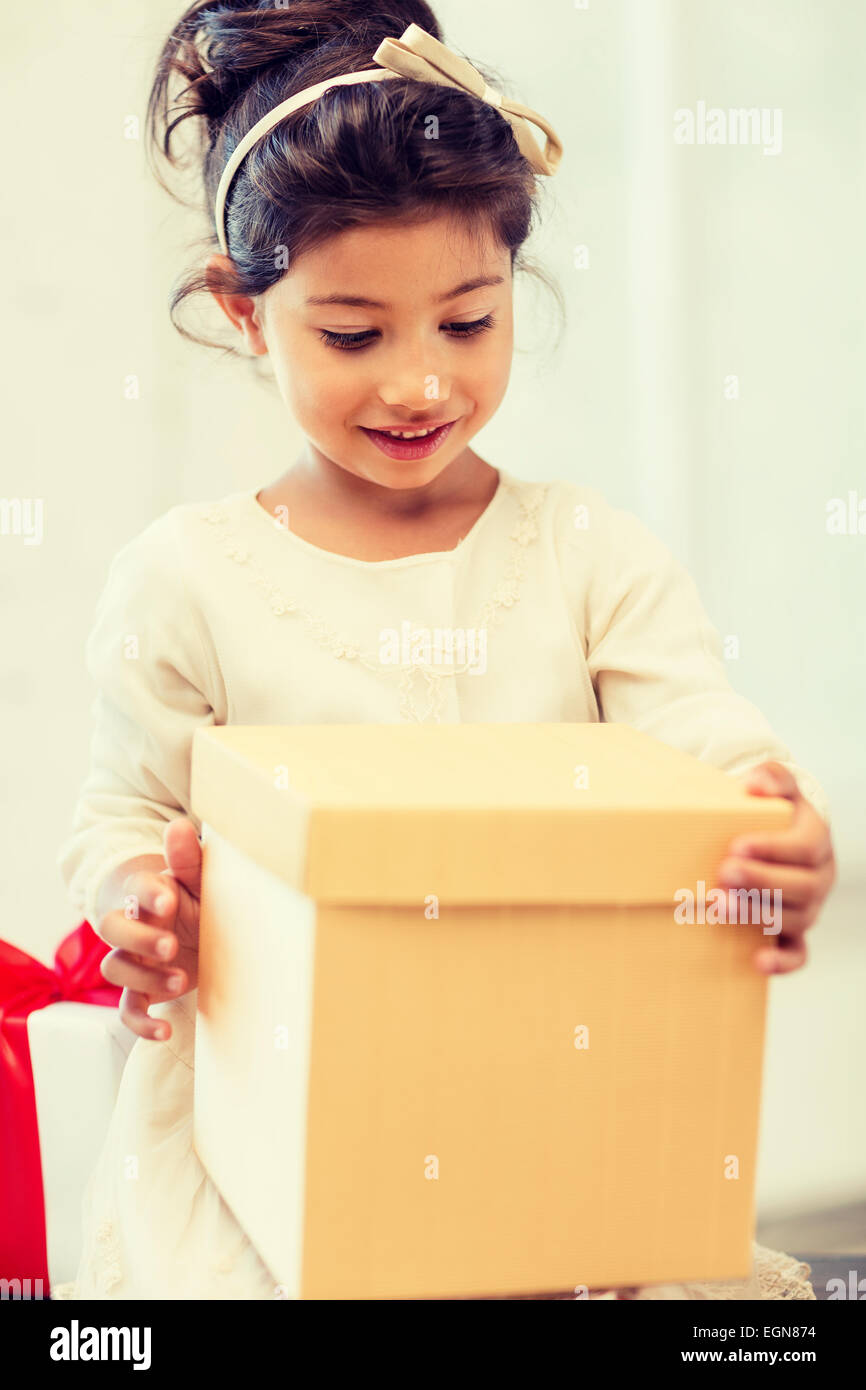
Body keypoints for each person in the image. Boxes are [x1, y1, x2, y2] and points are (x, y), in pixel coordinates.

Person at [53, 0, 835, 1300]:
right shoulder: (186, 580)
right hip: (276, 1137)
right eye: (352, 335)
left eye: (466, 323)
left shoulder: (586, 557)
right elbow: (121, 813)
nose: (419, 382)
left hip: (547, 1113)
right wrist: (141, 894)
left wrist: (770, 829)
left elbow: (701, 743)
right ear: (244, 314)